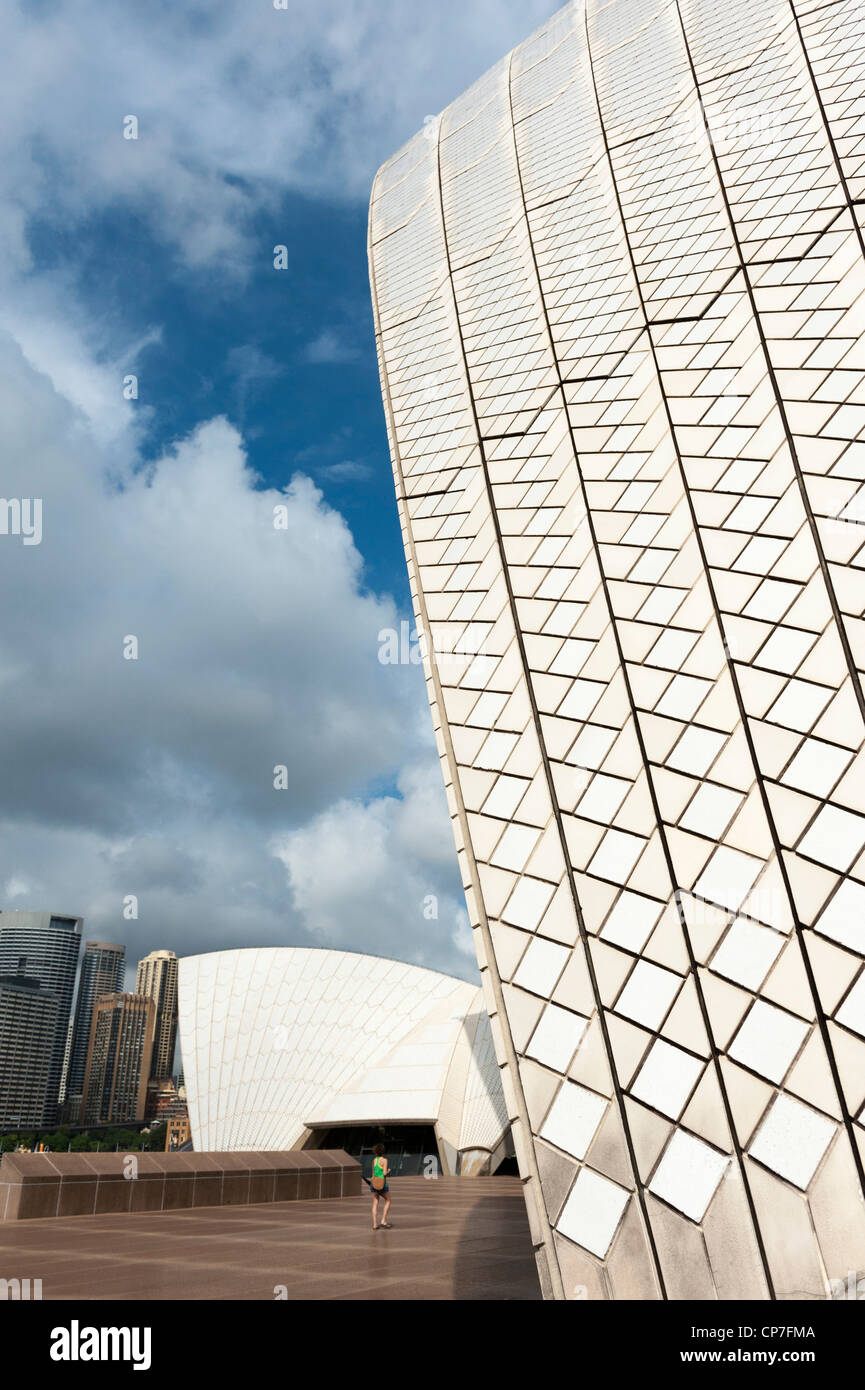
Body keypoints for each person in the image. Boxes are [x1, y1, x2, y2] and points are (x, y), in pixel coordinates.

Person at [370, 1143, 391, 1230]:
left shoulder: (374, 1160)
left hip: (374, 1183)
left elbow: (373, 1173)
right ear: (383, 1151)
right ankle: (383, 1220)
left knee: (375, 1203)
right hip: (382, 1184)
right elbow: (384, 1173)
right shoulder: (384, 1160)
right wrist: (389, 1170)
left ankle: (375, 1224)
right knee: (388, 1200)